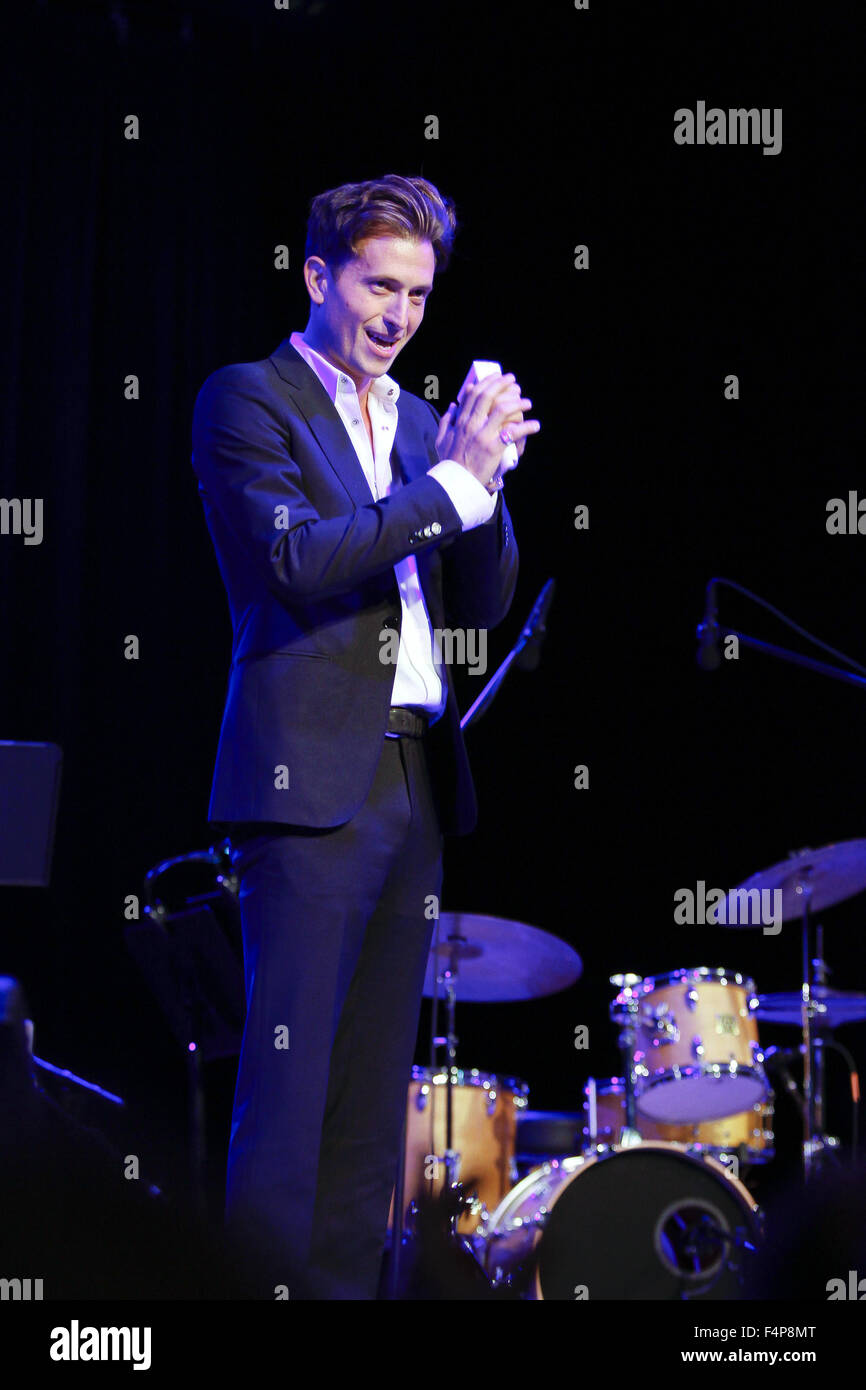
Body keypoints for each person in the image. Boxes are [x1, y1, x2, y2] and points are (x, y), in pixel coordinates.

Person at [191, 174, 540, 1298]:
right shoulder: (248, 398)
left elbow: (480, 602)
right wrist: (448, 482)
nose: (398, 315)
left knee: (367, 1117)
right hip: (305, 790)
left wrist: (486, 483)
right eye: (378, 286)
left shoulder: (419, 427)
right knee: (287, 1105)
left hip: (414, 783)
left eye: (420, 294)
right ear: (316, 277)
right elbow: (297, 560)